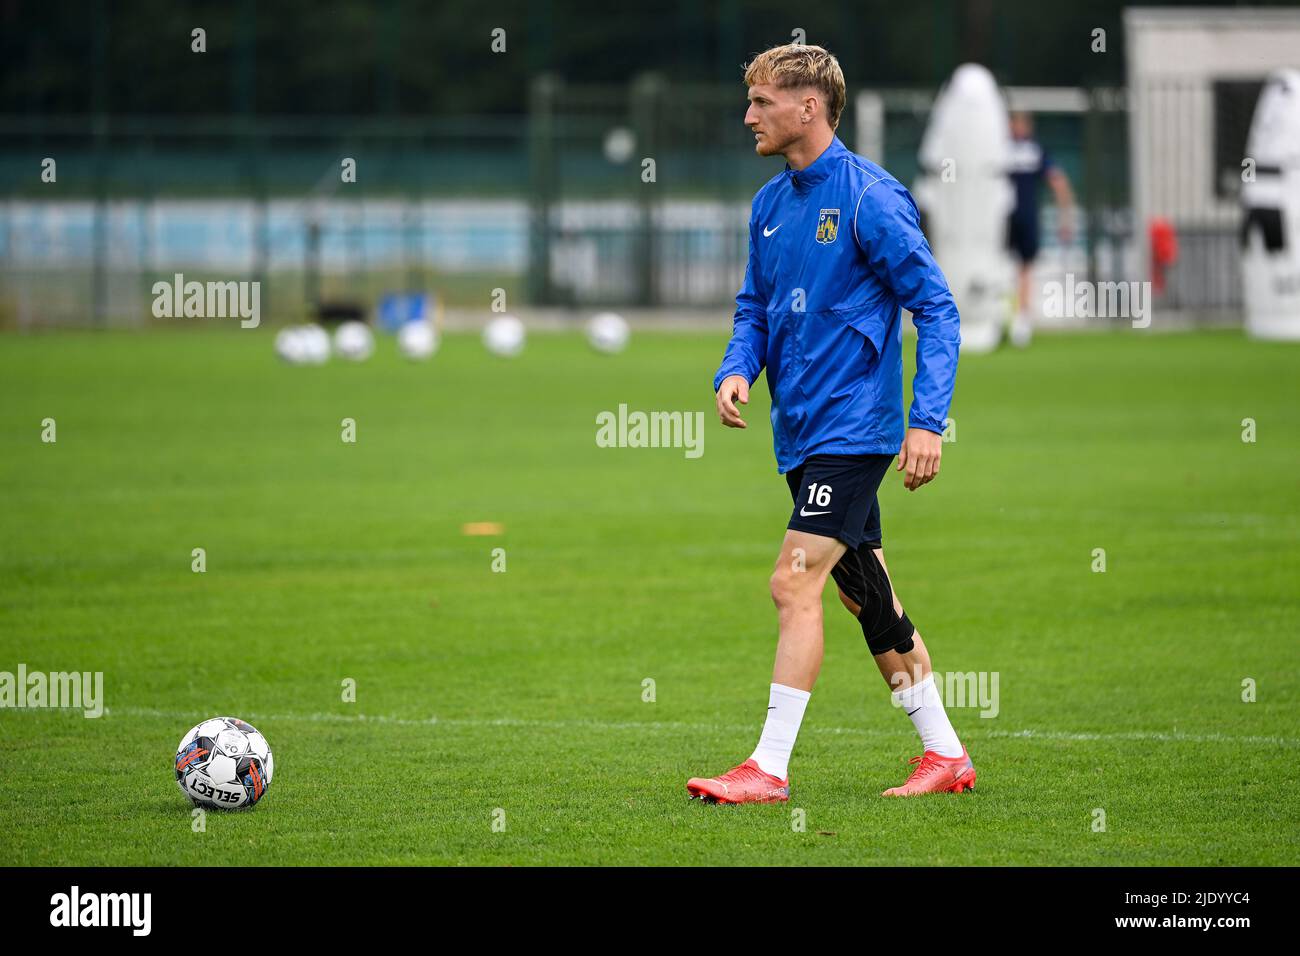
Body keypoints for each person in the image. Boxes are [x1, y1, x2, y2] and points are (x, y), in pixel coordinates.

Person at [686, 43, 973, 804]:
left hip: (857, 428)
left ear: (807, 107)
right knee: (863, 592)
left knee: (793, 582)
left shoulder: (871, 197)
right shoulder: (770, 205)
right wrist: (735, 368)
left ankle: (768, 768)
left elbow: (937, 308)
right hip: (801, 431)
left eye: (761, 101)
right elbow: (753, 306)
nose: (748, 115)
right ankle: (945, 754)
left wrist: (926, 420)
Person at [1006, 110, 1075, 347]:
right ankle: (1012, 316)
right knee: (1012, 268)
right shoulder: (1004, 149)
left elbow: (1058, 181)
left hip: (1021, 218)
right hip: (1005, 218)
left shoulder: (1033, 151)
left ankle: (1020, 318)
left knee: (1024, 268)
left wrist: (1065, 217)